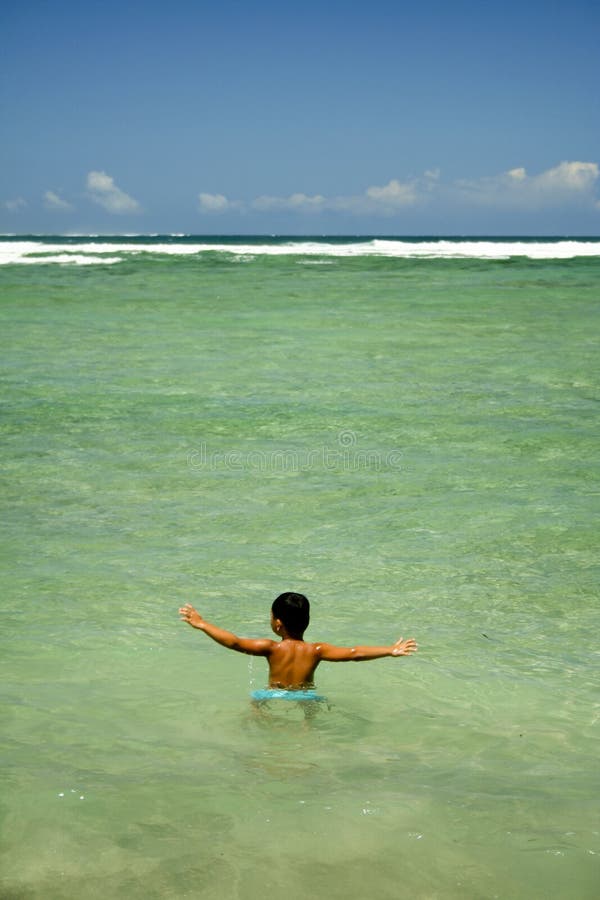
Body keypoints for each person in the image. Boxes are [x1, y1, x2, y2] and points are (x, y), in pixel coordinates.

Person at [179, 591, 417, 704]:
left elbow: (234, 642)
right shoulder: (316, 650)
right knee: (308, 720)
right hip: (306, 696)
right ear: (307, 620)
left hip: (271, 694)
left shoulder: (271, 648)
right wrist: (389, 650)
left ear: (277, 623)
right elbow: (354, 653)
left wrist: (202, 624)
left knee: (256, 706)